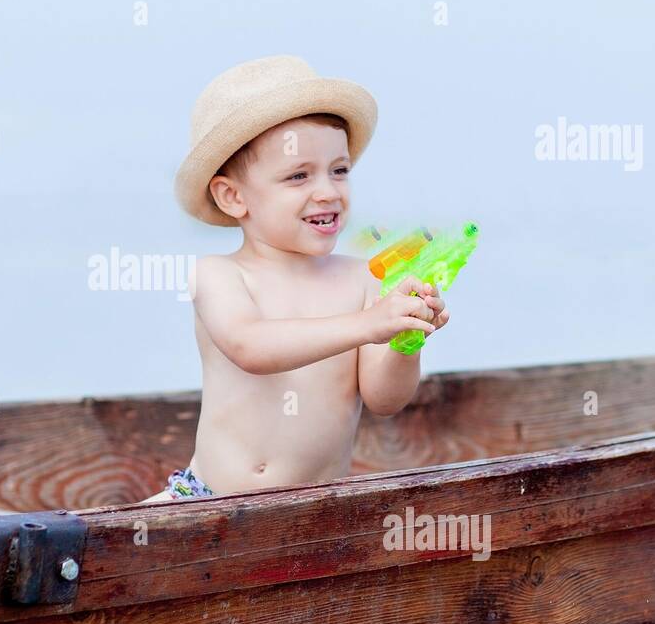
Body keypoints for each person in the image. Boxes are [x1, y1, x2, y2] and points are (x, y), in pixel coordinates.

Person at [144, 55, 449, 502]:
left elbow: (384, 400)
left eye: (339, 170)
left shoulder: (360, 278)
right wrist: (371, 323)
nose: (327, 191)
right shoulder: (219, 275)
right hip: (206, 504)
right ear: (233, 196)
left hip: (311, 517)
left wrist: (405, 338)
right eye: (298, 175)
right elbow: (252, 347)